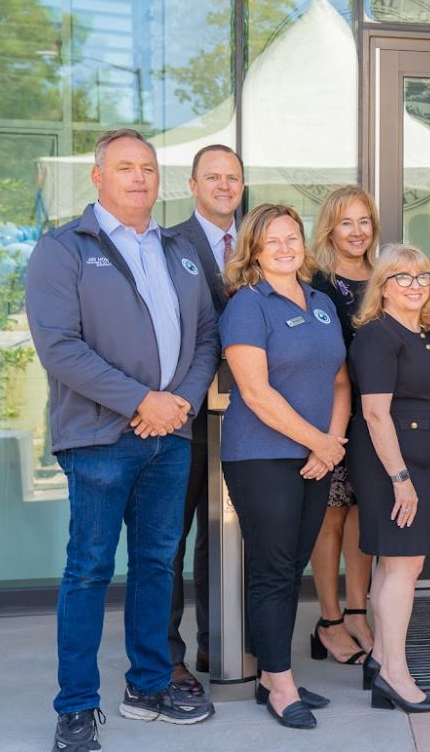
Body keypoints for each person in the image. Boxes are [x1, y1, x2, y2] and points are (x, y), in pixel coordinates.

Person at [26, 128, 219, 752]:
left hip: (171, 437)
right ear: (98, 177)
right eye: (126, 167)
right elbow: (59, 347)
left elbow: (207, 339)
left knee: (158, 566)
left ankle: (149, 685)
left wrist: (179, 404)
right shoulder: (65, 249)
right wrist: (143, 402)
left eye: (148, 168)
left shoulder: (178, 251)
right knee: (87, 571)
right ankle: (77, 709)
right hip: (100, 438)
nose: (140, 178)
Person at [219, 203, 351, 729]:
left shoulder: (321, 302)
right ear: (253, 249)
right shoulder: (248, 306)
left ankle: (271, 673)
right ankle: (279, 683)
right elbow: (255, 391)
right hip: (262, 456)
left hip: (316, 457)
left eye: (291, 237)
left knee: (293, 562)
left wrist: (331, 443)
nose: (283, 247)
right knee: (274, 570)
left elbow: (341, 381)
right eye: (271, 240)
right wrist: (320, 443)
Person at [346, 244, 430, 714]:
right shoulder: (377, 335)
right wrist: (401, 478)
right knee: (403, 565)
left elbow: (429, 401)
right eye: (402, 277)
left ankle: (382, 659)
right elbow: (374, 412)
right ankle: (394, 674)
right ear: (382, 287)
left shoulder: (425, 331)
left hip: (419, 465)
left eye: (422, 276)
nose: (415, 285)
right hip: (390, 466)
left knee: (400, 564)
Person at [164, 143, 243, 696]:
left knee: (230, 534)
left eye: (232, 178)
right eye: (212, 177)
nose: (223, 186)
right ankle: (167, 655)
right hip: (186, 414)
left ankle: (221, 637)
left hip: (250, 415)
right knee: (170, 535)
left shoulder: (263, 242)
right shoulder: (168, 244)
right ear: (193, 185)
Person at [308, 187, 379, 668]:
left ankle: (358, 611)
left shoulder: (384, 276)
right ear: (330, 228)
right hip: (331, 412)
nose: (357, 232)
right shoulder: (314, 280)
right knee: (329, 516)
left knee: (362, 516)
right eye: (346, 222)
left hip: (376, 416)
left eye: (365, 221)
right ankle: (328, 621)